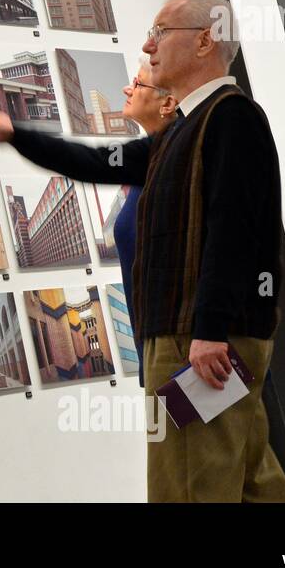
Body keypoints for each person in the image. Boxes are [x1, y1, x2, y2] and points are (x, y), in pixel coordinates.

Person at [0, 0, 285, 503]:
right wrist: (11, 132)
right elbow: (94, 162)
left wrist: (208, 331)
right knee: (250, 480)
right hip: (194, 341)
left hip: (196, 345)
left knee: (186, 488)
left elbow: (236, 232)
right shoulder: (178, 133)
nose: (147, 45)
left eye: (160, 32)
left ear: (204, 41)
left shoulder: (231, 117)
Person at [115, 57, 178, 388]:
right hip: (161, 361)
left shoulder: (181, 165)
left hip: (194, 363)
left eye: (138, 84)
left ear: (167, 103)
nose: (128, 88)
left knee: (203, 440)